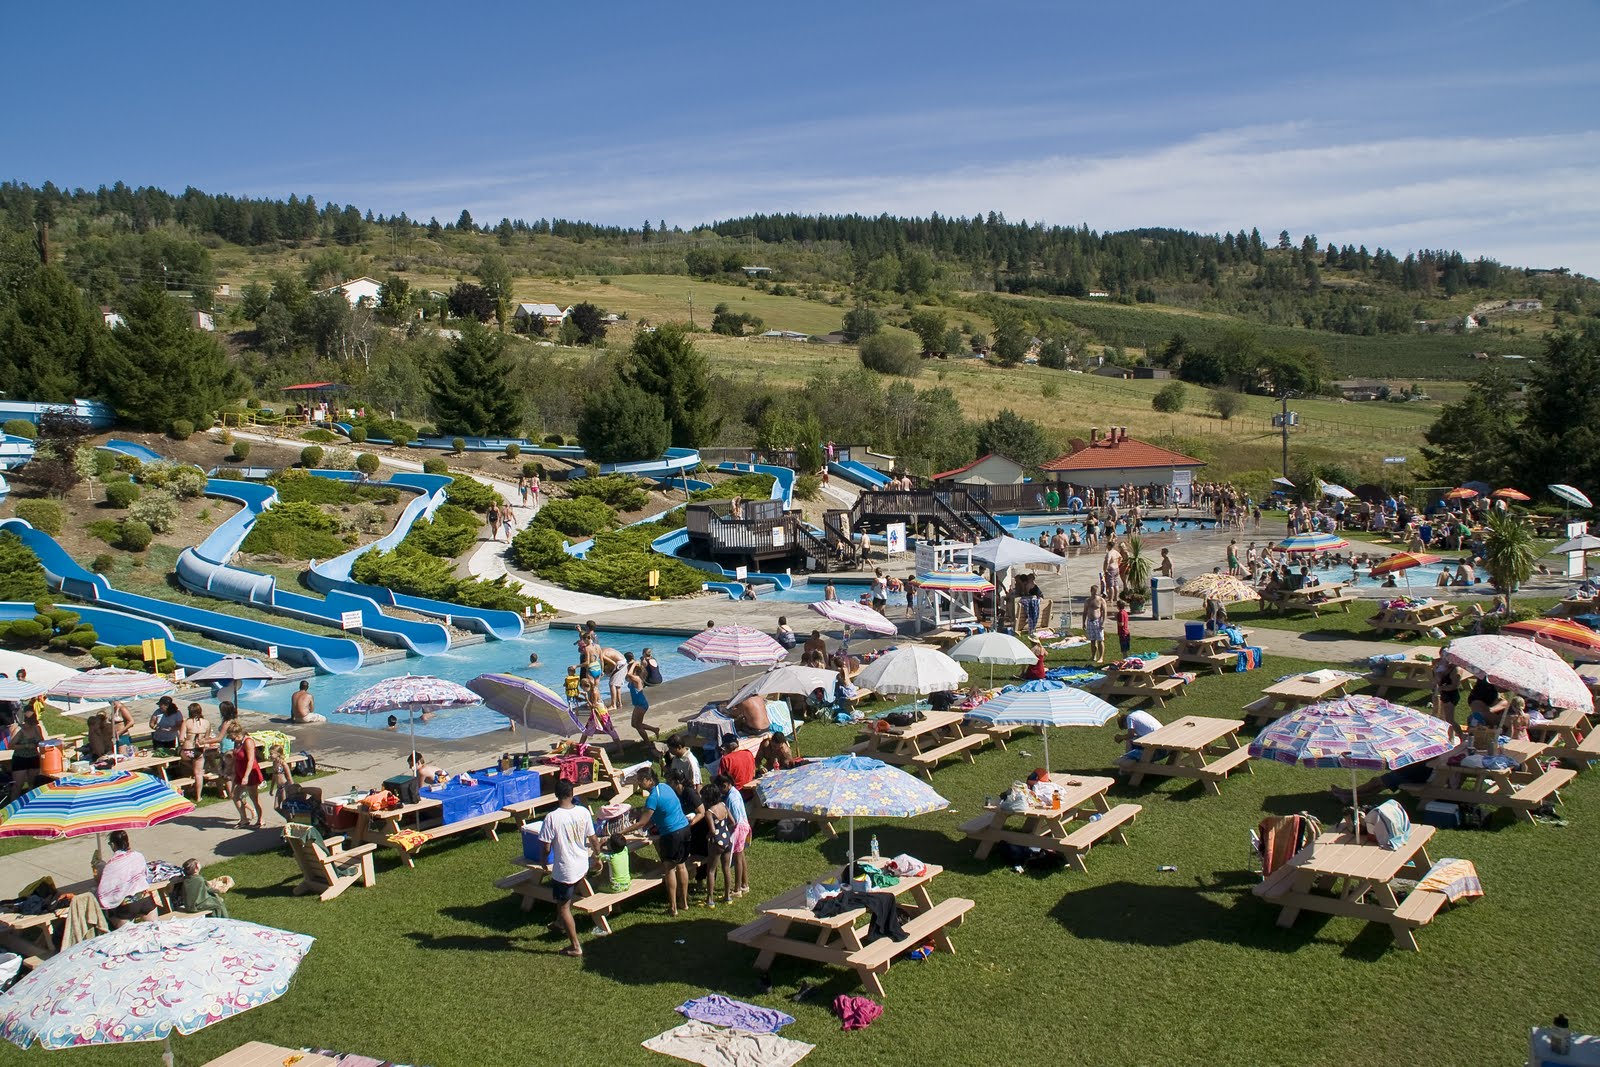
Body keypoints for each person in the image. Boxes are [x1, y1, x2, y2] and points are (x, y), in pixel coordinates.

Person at [539, 779, 601, 956]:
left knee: (564, 905)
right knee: (564, 899)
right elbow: (593, 838)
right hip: (581, 864)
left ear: (556, 795)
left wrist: (544, 861)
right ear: (572, 794)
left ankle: (575, 946)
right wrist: (597, 855)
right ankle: (559, 923)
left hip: (565, 869)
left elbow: (545, 846)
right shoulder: (583, 812)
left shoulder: (552, 817)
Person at [624, 766, 691, 917]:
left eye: (641, 781)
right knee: (681, 866)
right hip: (685, 829)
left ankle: (673, 907)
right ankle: (684, 903)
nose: (639, 784)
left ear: (649, 780)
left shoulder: (653, 797)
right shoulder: (665, 787)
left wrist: (621, 833)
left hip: (672, 834)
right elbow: (660, 811)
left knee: (669, 869)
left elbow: (642, 823)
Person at [95, 829, 156, 926]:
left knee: (114, 923)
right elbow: (144, 874)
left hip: (126, 906)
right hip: (146, 899)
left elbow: (104, 889)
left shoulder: (112, 865)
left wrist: (99, 868)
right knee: (155, 930)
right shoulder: (138, 856)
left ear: (113, 845)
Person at [715, 771, 751, 897]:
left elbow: (734, 820)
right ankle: (744, 884)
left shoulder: (732, 797)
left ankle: (737, 889)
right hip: (744, 825)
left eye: (720, 788)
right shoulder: (734, 792)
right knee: (741, 857)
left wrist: (727, 829)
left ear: (725, 785)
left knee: (737, 859)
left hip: (738, 828)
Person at [6, 701, 51, 800]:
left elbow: (41, 741)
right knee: (18, 785)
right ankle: (13, 804)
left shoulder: (36, 728)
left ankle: (30, 803)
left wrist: (38, 740)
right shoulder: (19, 730)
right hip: (20, 758)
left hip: (33, 757)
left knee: (32, 783)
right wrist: (26, 745)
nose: (32, 725)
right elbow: (11, 746)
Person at [225, 720, 264, 829]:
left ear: (237, 734)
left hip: (250, 773)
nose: (229, 738)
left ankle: (261, 819)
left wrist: (246, 776)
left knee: (254, 798)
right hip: (239, 772)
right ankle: (244, 819)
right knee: (234, 795)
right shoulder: (237, 742)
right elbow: (236, 757)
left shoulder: (248, 741)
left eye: (231, 735)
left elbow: (251, 760)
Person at [701, 782, 736, 907]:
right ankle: (727, 896)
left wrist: (708, 837)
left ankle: (710, 900)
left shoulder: (709, 812)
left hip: (716, 842)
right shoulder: (723, 805)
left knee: (711, 870)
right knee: (726, 868)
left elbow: (712, 830)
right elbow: (732, 822)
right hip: (727, 840)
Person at [177, 703, 212, 805]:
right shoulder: (206, 723)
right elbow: (207, 737)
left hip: (188, 751)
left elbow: (181, 739)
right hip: (199, 750)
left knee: (182, 763)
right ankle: (198, 796)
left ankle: (187, 789)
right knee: (198, 773)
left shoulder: (186, 723)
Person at [579, 676, 621, 746]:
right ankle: (580, 745)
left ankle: (620, 749)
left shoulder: (594, 692)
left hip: (600, 712)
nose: (583, 690)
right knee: (586, 730)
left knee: (610, 729)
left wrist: (586, 698)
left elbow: (594, 705)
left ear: (586, 686)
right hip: (596, 712)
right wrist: (582, 699)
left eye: (583, 688)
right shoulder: (592, 689)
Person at [626, 655, 657, 746]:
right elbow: (628, 676)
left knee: (638, 725)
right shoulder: (633, 678)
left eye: (630, 669)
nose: (628, 670)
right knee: (634, 724)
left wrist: (635, 663)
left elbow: (629, 674)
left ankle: (648, 744)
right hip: (638, 705)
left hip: (641, 705)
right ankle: (654, 729)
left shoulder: (638, 679)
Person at [1082, 583, 1107, 665]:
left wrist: (1103, 622)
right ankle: (1093, 655)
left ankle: (1101, 657)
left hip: (1098, 621)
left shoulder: (1101, 600)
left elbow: (1104, 612)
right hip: (1090, 621)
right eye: (1094, 592)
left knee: (1100, 640)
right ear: (1091, 591)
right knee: (1092, 640)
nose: (1095, 593)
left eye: (1097, 592)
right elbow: (1085, 612)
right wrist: (1083, 622)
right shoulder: (1087, 600)